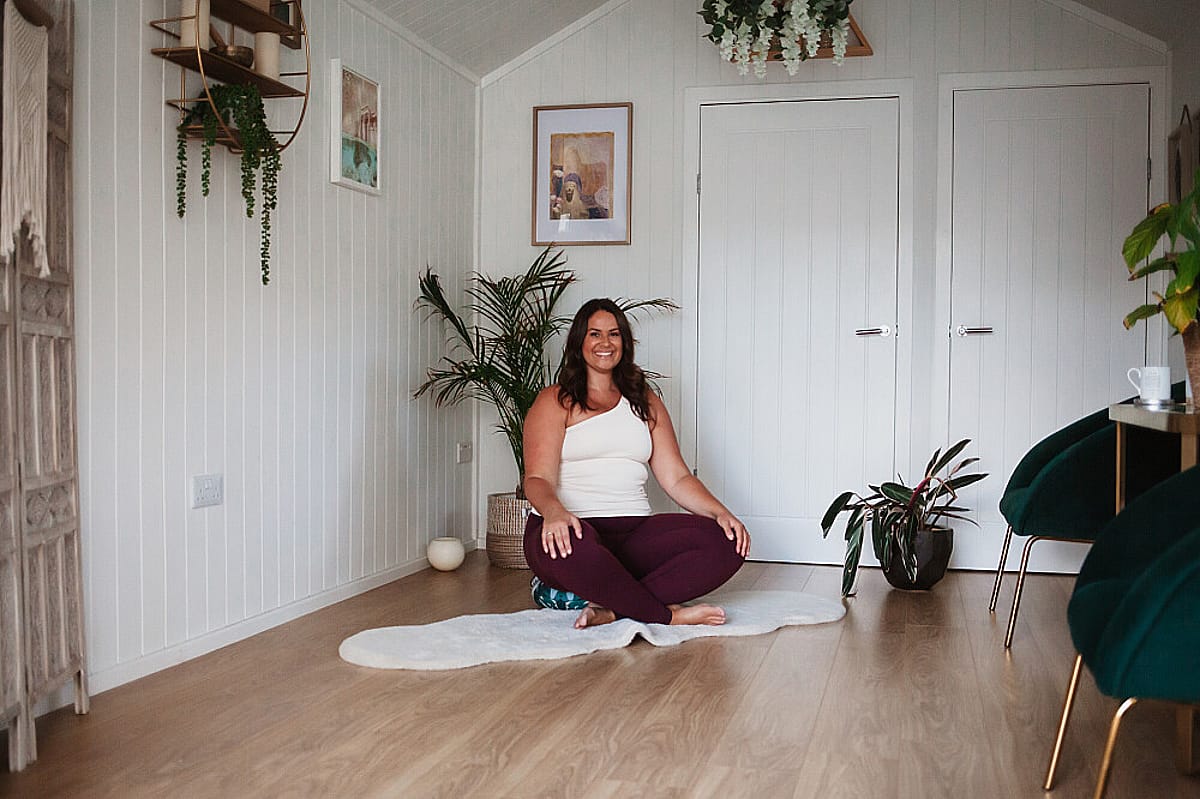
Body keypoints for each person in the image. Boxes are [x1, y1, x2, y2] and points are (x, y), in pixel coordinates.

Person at [522, 298, 749, 629]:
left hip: (632, 533)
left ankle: (612, 608)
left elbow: (678, 478)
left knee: (729, 541)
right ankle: (665, 615)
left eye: (614, 334)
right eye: (594, 334)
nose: (605, 343)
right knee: (580, 549)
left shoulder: (645, 401)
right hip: (571, 529)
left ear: (624, 343)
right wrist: (555, 514)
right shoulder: (555, 400)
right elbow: (537, 479)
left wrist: (720, 513)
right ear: (579, 343)